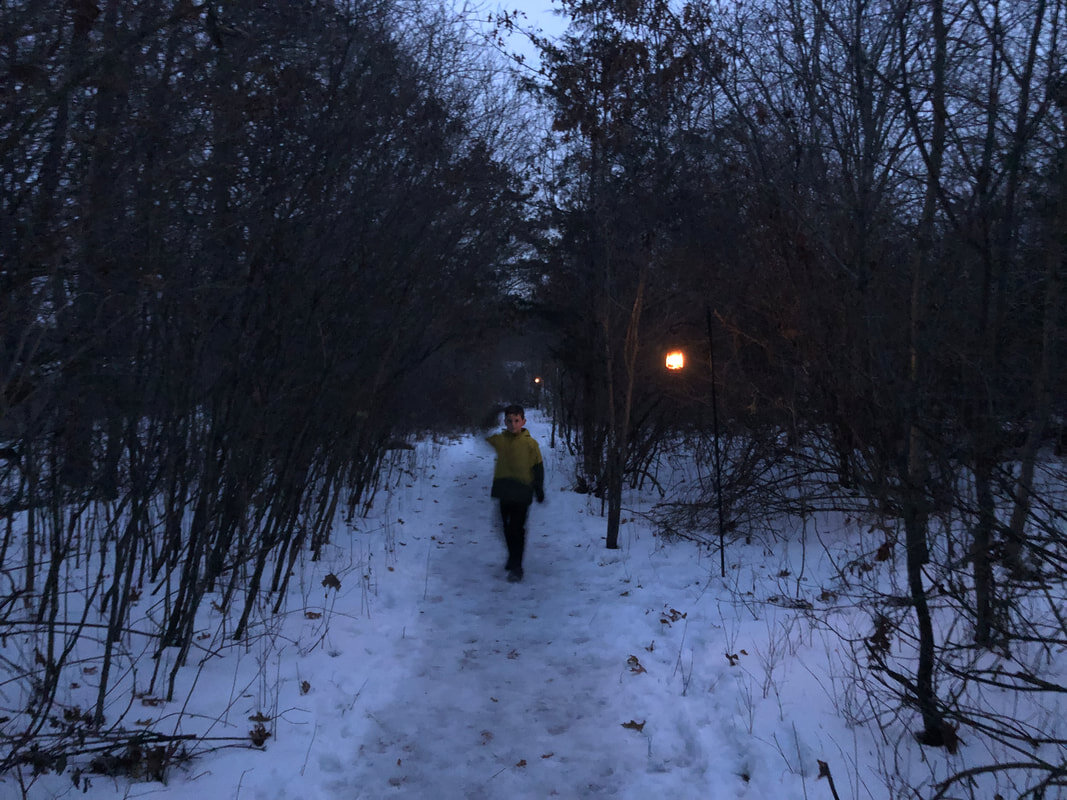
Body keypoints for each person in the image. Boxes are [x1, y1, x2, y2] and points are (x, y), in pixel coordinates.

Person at [486, 405, 544, 582]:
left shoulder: (530, 444)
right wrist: (493, 411)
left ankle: (517, 566)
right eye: (509, 421)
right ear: (504, 422)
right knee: (506, 527)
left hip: (522, 492)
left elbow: (538, 467)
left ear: (523, 422)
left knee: (517, 529)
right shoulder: (500, 440)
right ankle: (512, 556)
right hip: (504, 491)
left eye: (516, 420)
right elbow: (483, 431)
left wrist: (538, 488)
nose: (513, 424)